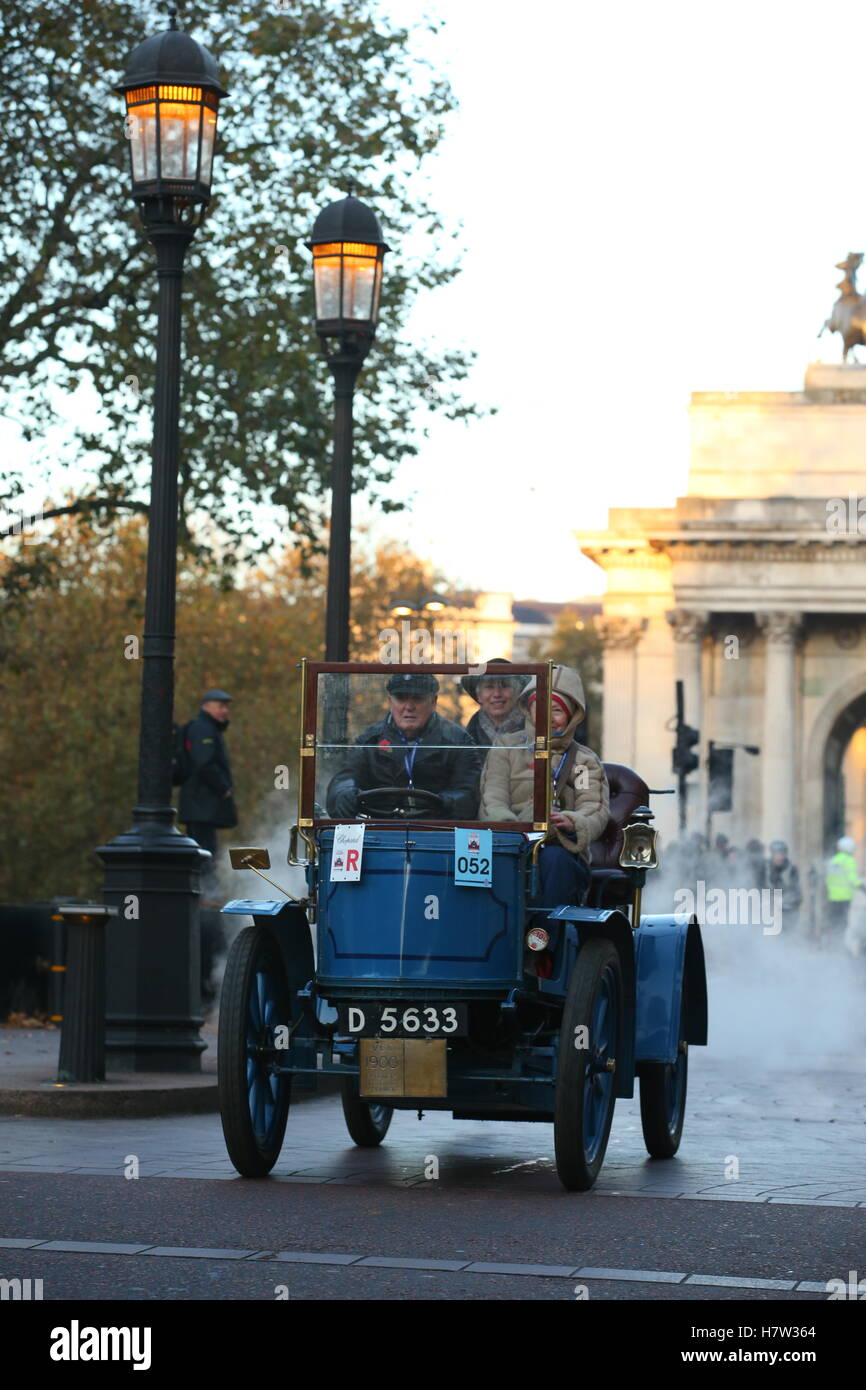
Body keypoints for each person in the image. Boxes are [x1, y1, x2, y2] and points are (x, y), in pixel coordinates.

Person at [479, 663, 609, 908]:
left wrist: (573, 821)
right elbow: (492, 796)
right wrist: (510, 829)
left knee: (554, 860)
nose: (548, 718)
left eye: (557, 710)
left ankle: (543, 939)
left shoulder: (583, 761)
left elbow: (593, 806)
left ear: (572, 716)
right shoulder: (505, 747)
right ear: (529, 710)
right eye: (541, 708)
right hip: (508, 845)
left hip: (558, 848)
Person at [326, 672, 482, 819]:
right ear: (390, 702)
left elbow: (469, 792)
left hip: (437, 833)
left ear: (433, 702)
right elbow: (345, 777)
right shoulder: (370, 740)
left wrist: (445, 803)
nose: (409, 707)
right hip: (380, 831)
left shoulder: (458, 741)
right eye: (401, 698)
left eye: (417, 698)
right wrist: (343, 792)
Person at [179, 689, 238, 887]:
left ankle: (207, 892)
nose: (225, 711)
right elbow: (203, 762)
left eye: (226, 706)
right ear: (206, 706)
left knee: (205, 848)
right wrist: (223, 788)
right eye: (220, 706)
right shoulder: (203, 728)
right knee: (204, 850)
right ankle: (205, 893)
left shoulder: (206, 727)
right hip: (201, 804)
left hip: (200, 805)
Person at [461, 658, 528, 750]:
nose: (497, 694)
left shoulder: (535, 730)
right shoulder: (464, 738)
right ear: (478, 696)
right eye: (489, 687)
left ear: (519, 692)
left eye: (505, 685)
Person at [824, 835, 865, 935]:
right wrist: (863, 887)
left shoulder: (834, 860)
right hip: (844, 897)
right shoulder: (849, 860)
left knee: (834, 921)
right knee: (842, 923)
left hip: (832, 896)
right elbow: (852, 879)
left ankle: (832, 942)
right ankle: (839, 944)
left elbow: (827, 878)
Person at [766, 839, 802, 933]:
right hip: (770, 909)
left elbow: (795, 889)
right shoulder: (766, 868)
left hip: (787, 908)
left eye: (781, 854)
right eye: (776, 854)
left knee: (786, 934)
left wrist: (793, 902)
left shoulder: (791, 869)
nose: (779, 857)